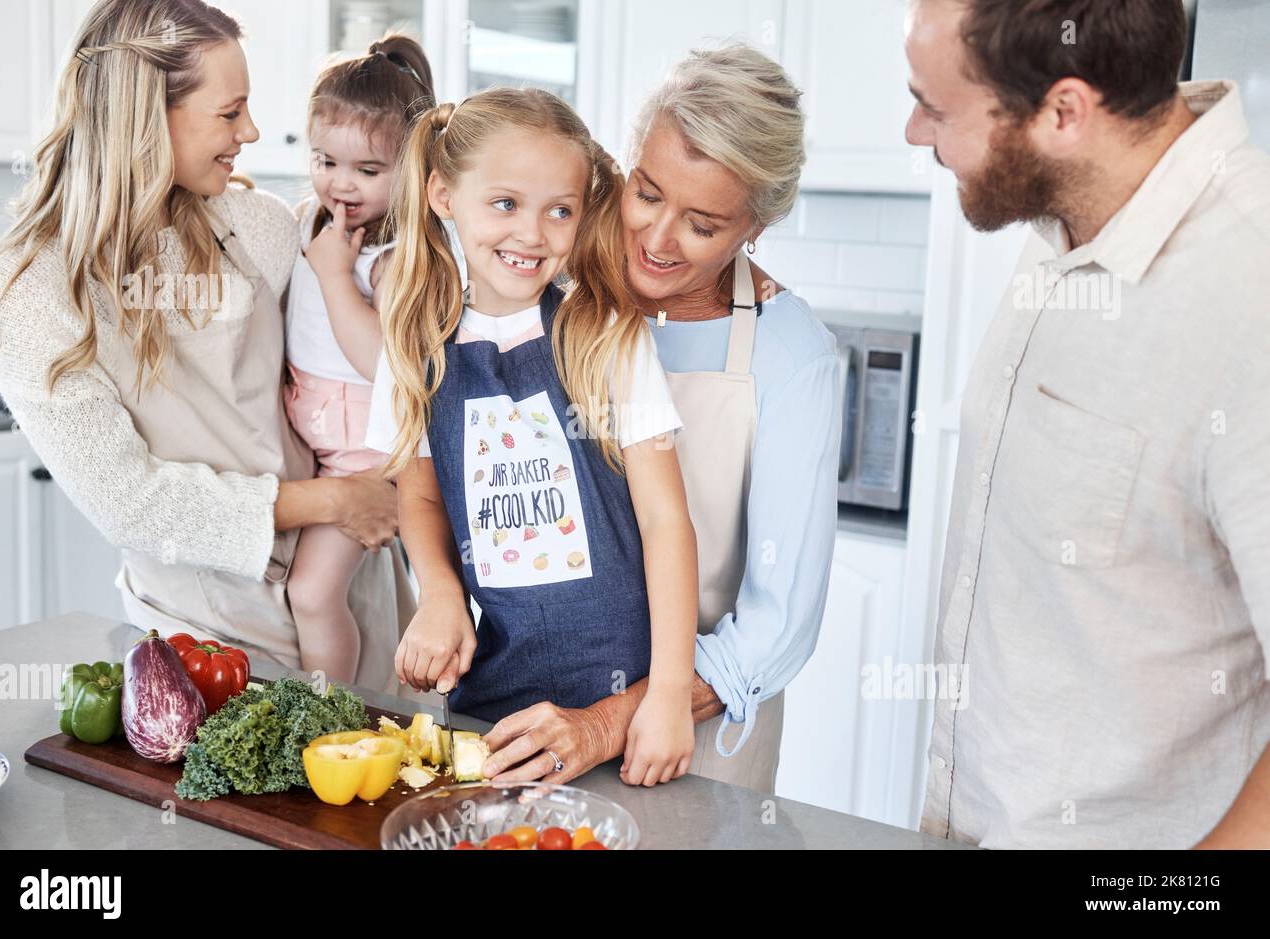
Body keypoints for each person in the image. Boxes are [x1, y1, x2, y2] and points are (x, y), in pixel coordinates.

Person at [905, 0, 1270, 847]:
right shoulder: (1069, 210)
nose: (915, 131)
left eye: (936, 106)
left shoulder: (1247, 296)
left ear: (1064, 112)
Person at [0, 0, 414, 694]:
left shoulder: (255, 226)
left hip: (353, 584)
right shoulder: (28, 288)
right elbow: (133, 502)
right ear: (148, 113)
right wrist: (332, 501)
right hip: (210, 628)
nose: (253, 131)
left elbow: (375, 343)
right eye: (230, 111)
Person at [478, 45, 842, 795]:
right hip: (527, 701)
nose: (657, 237)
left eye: (704, 224)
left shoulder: (791, 354)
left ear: (756, 226)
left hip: (690, 738)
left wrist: (613, 719)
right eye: (647, 193)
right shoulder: (549, 270)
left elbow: (778, 626)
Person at [365, 88, 701, 787]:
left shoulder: (603, 332)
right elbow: (418, 500)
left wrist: (669, 692)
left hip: (624, 709)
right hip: (496, 707)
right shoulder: (412, 349)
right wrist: (439, 595)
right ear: (443, 194)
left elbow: (667, 519)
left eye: (559, 211)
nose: (532, 233)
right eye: (506, 203)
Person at [282, 34, 432, 683]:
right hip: (316, 435)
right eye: (325, 161)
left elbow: (387, 365)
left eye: (367, 171)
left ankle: (330, 712)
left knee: (312, 594)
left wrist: (340, 278)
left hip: (363, 453)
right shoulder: (315, 220)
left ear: (411, 169)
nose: (340, 184)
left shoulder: (394, 259)